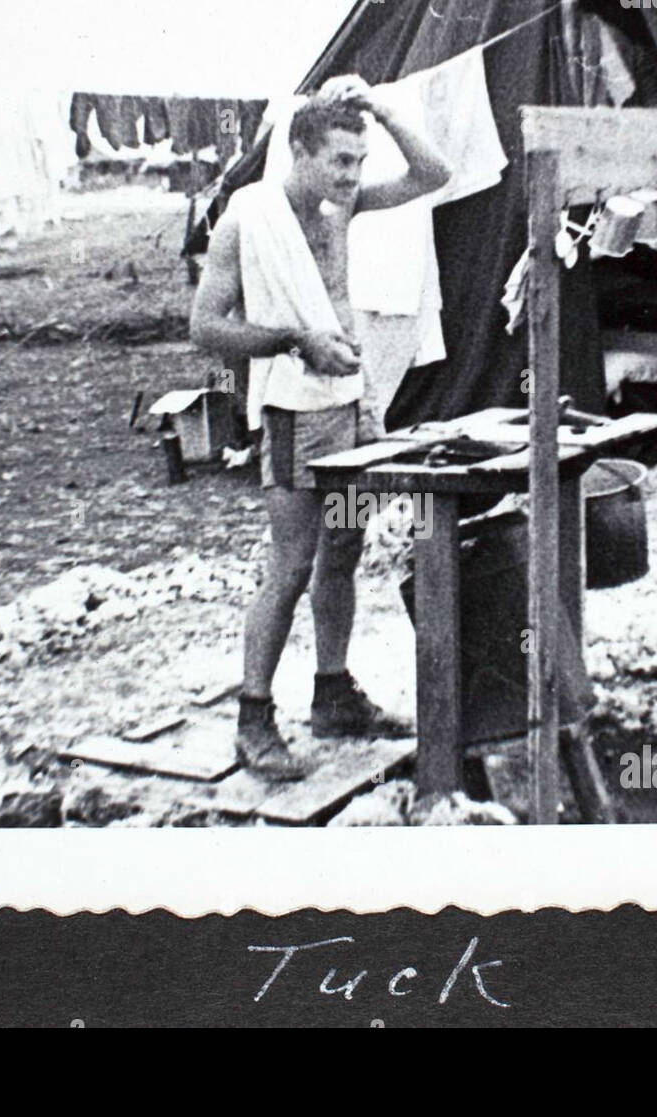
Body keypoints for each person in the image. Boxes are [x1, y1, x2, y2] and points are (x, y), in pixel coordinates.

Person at [190, 76, 452, 780]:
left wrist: (387, 112)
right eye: (340, 159)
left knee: (343, 550)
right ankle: (253, 715)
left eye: (359, 161)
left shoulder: (343, 208)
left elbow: (436, 173)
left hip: (350, 406)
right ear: (299, 151)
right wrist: (292, 339)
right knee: (292, 564)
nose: (352, 175)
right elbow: (205, 327)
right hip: (292, 414)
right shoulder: (250, 216)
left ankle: (332, 692)